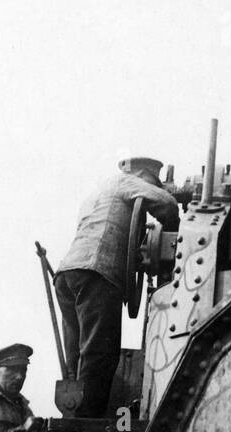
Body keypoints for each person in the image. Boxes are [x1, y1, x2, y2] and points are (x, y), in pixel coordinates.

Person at [54, 156, 180, 417]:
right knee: (100, 353)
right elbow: (166, 204)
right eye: (152, 183)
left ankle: (73, 415)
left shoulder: (97, 194)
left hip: (68, 275)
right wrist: (174, 234)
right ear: (143, 176)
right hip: (97, 274)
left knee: (76, 354)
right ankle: (89, 421)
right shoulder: (125, 182)